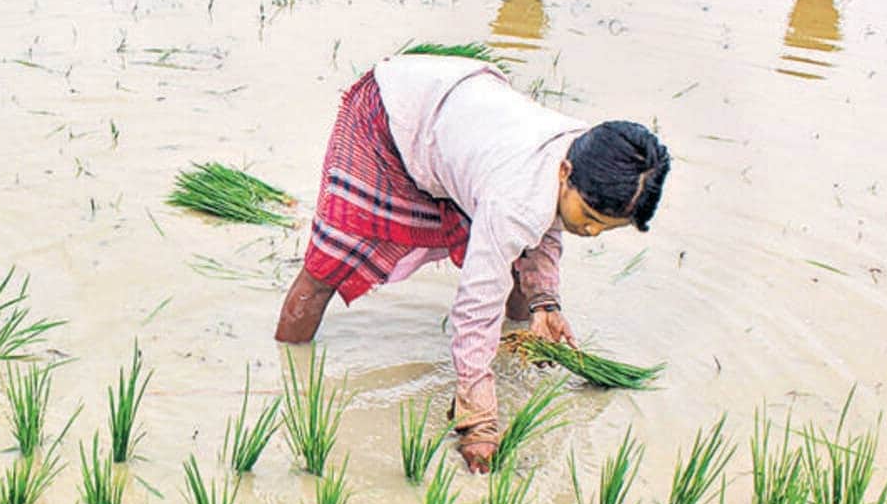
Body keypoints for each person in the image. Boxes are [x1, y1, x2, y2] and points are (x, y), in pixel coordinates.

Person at [275, 55, 670, 473]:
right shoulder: (516, 198)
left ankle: (516, 351)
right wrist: (478, 418)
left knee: (522, 259)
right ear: (565, 171)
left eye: (605, 229)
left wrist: (545, 305)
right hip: (393, 117)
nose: (590, 232)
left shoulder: (587, 155)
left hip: (462, 120)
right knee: (329, 262)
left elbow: (545, 232)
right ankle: (286, 369)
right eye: (588, 218)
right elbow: (476, 306)